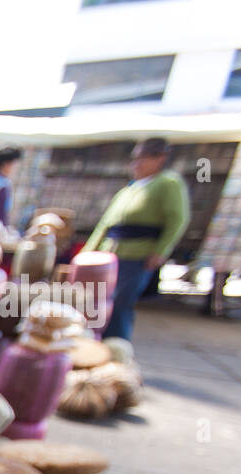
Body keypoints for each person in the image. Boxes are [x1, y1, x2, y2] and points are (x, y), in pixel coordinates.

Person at [85, 138, 191, 341]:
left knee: (119, 304)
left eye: (142, 158)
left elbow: (177, 219)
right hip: (110, 254)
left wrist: (161, 250)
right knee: (98, 303)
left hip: (137, 255)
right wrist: (88, 252)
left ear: (160, 159)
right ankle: (96, 345)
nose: (136, 163)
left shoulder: (168, 183)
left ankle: (116, 346)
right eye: (134, 158)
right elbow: (105, 224)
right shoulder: (131, 187)